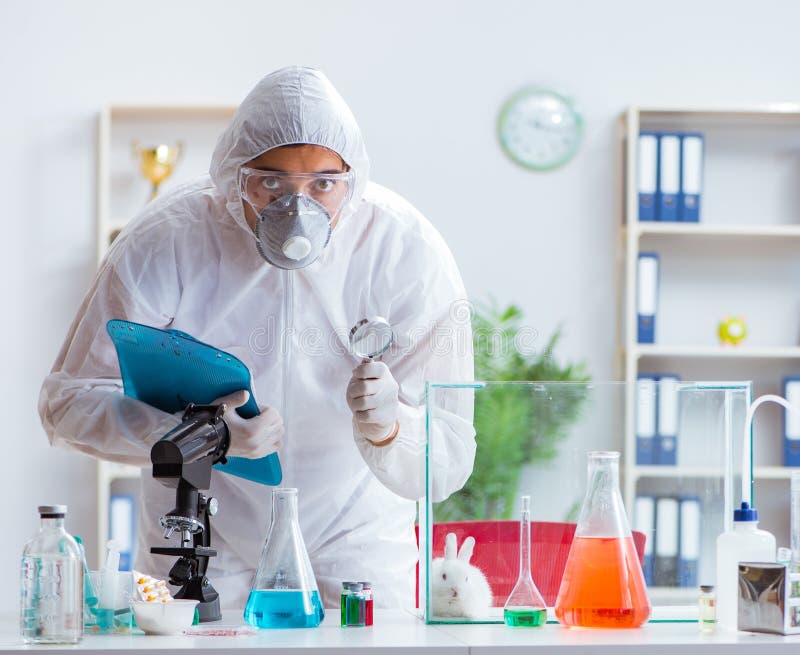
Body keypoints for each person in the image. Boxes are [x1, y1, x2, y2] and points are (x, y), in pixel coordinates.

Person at [39, 66, 475, 609]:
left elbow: (450, 454)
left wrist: (392, 428)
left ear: (352, 179)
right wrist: (201, 437)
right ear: (233, 175)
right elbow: (69, 402)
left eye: (323, 184)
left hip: (357, 536)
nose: (298, 211)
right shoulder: (168, 240)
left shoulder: (404, 250)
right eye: (271, 183)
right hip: (204, 530)